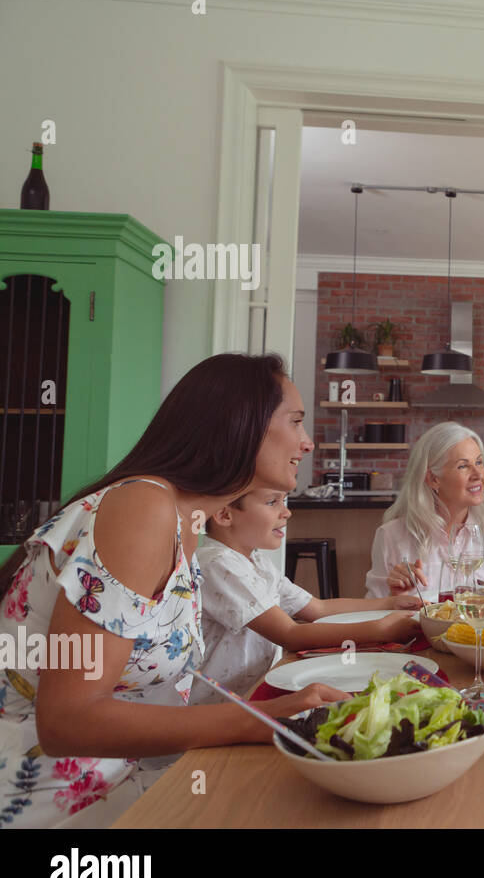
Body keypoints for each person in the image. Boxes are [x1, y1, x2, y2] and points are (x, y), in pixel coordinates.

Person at [0, 353, 348, 829]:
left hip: (127, 785)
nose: (307, 443)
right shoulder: (142, 508)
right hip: (47, 807)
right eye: (296, 422)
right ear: (239, 425)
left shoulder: (185, 526)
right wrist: (262, 718)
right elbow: (67, 722)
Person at [193, 487, 422, 705]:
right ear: (224, 514)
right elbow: (290, 634)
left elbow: (317, 608)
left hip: (253, 693)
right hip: (219, 708)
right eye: (272, 502)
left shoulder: (255, 560)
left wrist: (391, 603)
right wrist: (380, 629)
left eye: (284, 500)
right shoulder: (218, 563)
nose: (286, 511)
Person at [369, 423, 484, 597]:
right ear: (433, 479)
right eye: (463, 466)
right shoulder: (390, 536)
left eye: (479, 462)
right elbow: (375, 614)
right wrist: (393, 596)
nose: (478, 474)